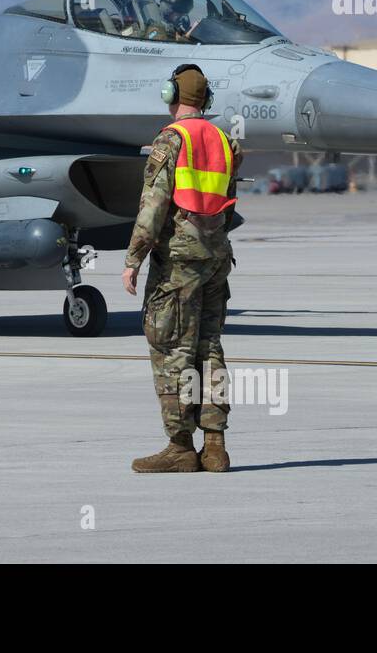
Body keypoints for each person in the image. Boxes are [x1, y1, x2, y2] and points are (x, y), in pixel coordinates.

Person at [122, 64, 240, 473]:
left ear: (170, 94)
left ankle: (179, 447)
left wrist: (133, 259)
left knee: (172, 349)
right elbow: (230, 203)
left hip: (178, 262)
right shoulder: (225, 140)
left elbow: (153, 206)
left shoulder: (171, 140)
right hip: (216, 257)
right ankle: (215, 447)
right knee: (210, 348)